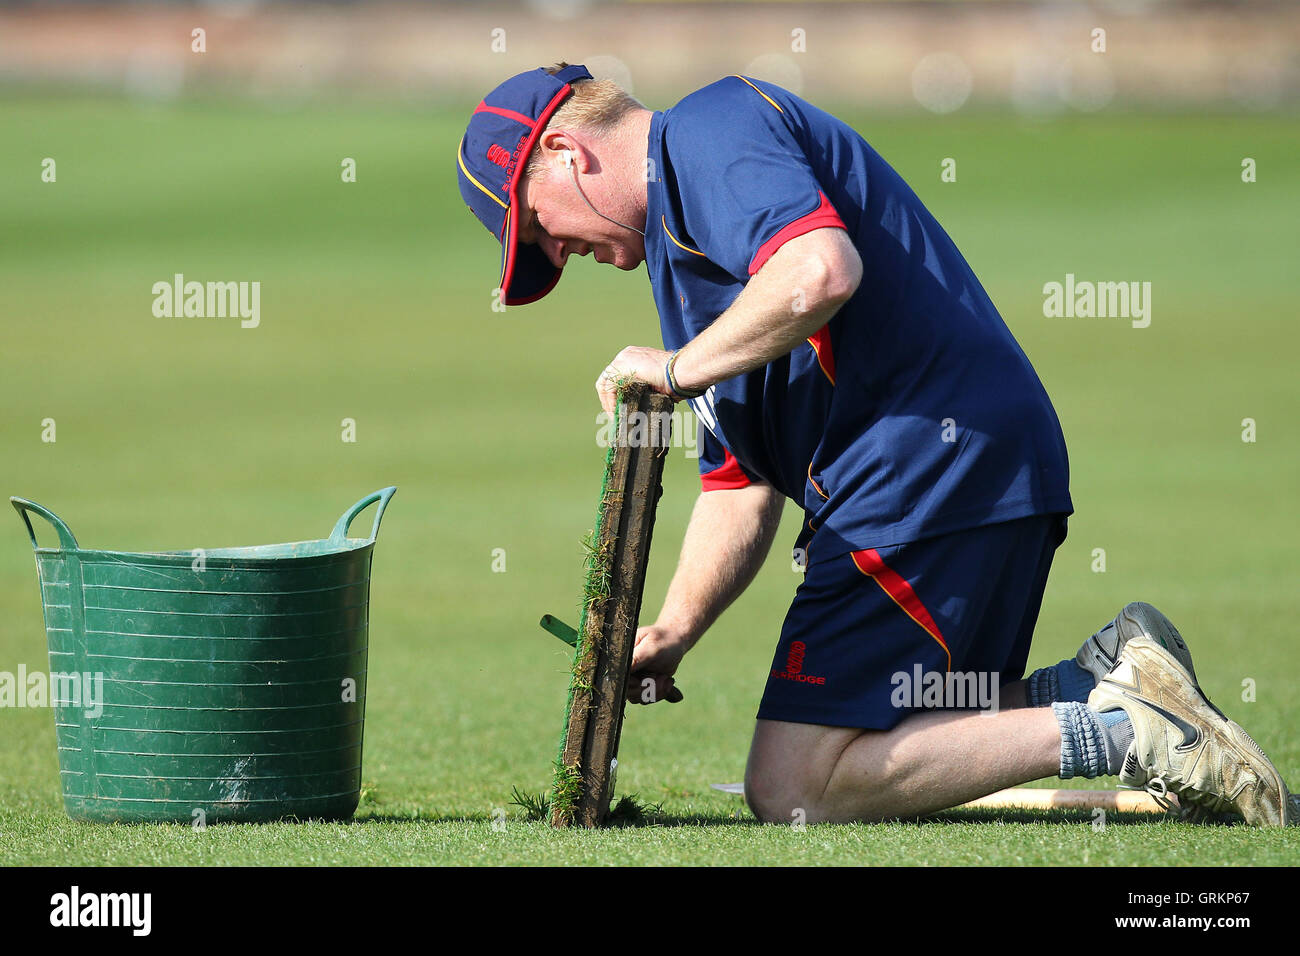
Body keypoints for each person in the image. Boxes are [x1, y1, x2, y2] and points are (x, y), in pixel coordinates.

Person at [456, 63, 1292, 826]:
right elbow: (740, 484)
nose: (559, 258)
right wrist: (674, 630)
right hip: (965, 468)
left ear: (566, 151)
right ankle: (1095, 684)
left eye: (538, 232)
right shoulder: (687, 266)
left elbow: (820, 271)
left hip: (924, 468)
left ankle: (1127, 729)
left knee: (793, 788)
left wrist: (675, 371)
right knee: (923, 719)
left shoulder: (707, 131)